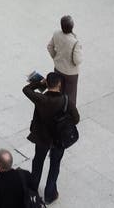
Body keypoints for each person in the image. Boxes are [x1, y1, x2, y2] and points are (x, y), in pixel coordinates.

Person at [23, 71, 79, 204]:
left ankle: (33, 190)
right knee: (55, 165)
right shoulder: (65, 100)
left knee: (38, 163)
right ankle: (50, 194)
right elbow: (76, 119)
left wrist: (38, 83)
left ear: (47, 84)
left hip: (42, 137)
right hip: (59, 139)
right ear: (59, 84)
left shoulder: (40, 98)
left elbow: (26, 89)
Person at [47, 16, 82, 108]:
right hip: (71, 73)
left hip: (58, 68)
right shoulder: (75, 42)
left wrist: (55, 57)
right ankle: (69, 113)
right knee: (70, 94)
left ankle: (57, 108)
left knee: (58, 91)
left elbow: (49, 47)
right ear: (72, 27)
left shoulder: (56, 34)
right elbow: (77, 60)